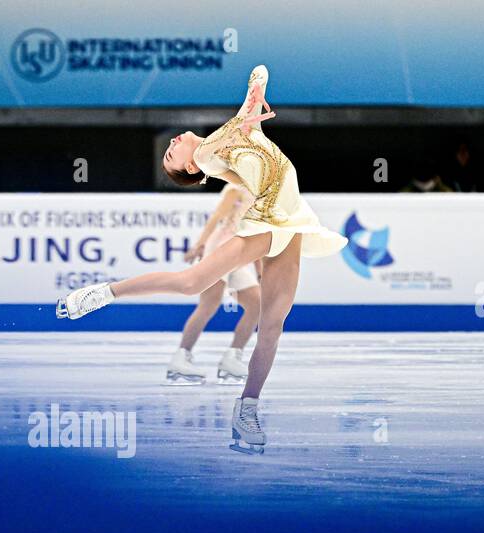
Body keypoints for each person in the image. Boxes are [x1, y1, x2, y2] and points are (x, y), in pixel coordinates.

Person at [57, 65, 346, 454]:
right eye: (171, 156)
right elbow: (238, 125)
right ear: (192, 168)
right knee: (192, 282)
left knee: (272, 325)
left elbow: (251, 95)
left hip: (293, 226)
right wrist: (252, 101)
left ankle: (247, 407)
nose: (172, 144)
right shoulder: (209, 155)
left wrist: (257, 90)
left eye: (170, 149)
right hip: (265, 220)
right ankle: (105, 292)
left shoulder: (229, 134)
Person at [165, 182, 262, 386]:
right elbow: (217, 217)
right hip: (221, 249)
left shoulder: (258, 193)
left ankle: (232, 358)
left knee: (256, 305)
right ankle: (181, 357)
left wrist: (260, 270)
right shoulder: (236, 188)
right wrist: (200, 245)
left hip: (240, 252)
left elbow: (254, 233)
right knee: (209, 304)